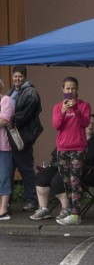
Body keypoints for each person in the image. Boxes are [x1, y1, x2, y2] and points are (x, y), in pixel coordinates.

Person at [30, 115, 94, 221]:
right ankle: (43, 209)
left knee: (59, 179)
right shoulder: (73, 135)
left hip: (86, 168)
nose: (91, 125)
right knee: (42, 176)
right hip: (62, 164)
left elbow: (91, 156)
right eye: (89, 122)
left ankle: (66, 209)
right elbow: (56, 152)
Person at [51, 76, 92, 226]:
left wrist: (74, 108)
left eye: (73, 88)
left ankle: (76, 214)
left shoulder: (84, 105)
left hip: (78, 148)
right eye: (67, 88)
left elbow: (85, 123)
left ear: (77, 89)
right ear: (63, 90)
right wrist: (62, 111)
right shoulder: (57, 106)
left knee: (75, 180)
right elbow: (56, 126)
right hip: (62, 148)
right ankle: (71, 210)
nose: (70, 91)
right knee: (66, 181)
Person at [6, 66, 43, 213]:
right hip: (11, 137)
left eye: (20, 76)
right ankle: (6, 202)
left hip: (23, 138)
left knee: (26, 171)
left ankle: (31, 201)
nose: (17, 79)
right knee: (7, 171)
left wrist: (7, 120)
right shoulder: (12, 91)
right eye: (15, 76)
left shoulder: (31, 93)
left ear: (25, 77)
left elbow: (24, 116)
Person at [0, 81, 13, 220]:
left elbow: (4, 120)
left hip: (3, 145)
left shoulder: (6, 100)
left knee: (3, 177)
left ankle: (3, 209)